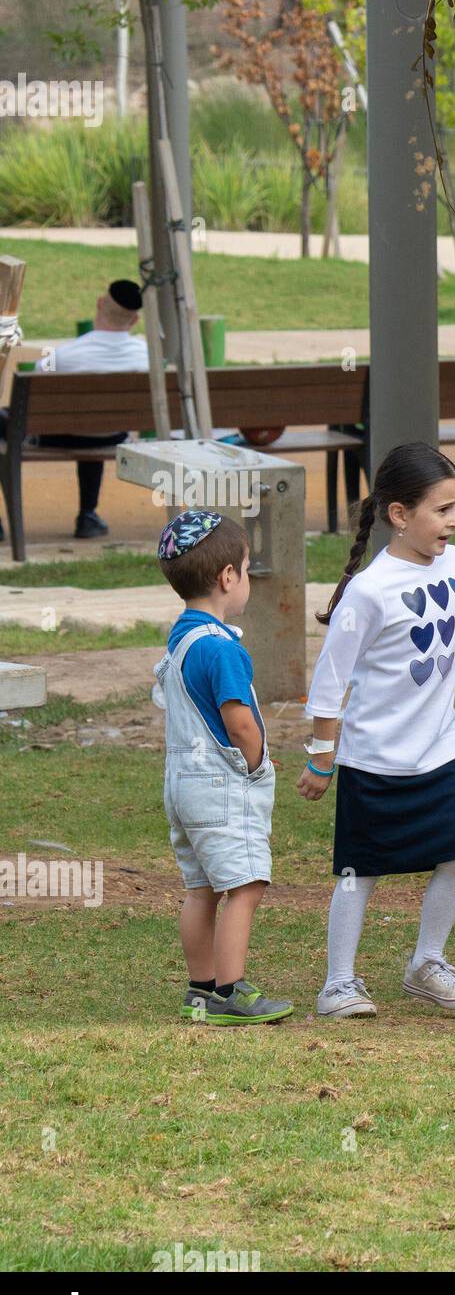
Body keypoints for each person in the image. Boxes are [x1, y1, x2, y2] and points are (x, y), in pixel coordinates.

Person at [301, 442, 455, 1019]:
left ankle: (426, 962)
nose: (454, 521)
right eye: (443, 510)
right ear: (400, 515)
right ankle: (339, 983)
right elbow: (330, 682)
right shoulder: (369, 591)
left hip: (439, 753)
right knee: (361, 871)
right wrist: (320, 758)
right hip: (374, 760)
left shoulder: (453, 563)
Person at [155, 510, 292, 1026]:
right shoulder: (221, 648)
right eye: (248, 568)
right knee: (246, 884)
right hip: (220, 786)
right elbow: (239, 722)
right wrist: (256, 764)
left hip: (182, 784)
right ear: (228, 577)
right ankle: (232, 992)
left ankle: (200, 990)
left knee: (202, 888)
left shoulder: (181, 640)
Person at [35, 279, 150, 539]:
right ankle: (87, 514)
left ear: (99, 304)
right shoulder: (147, 354)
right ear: (134, 321)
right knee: (95, 425)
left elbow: (39, 375)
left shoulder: (62, 354)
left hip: (59, 436)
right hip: (114, 434)